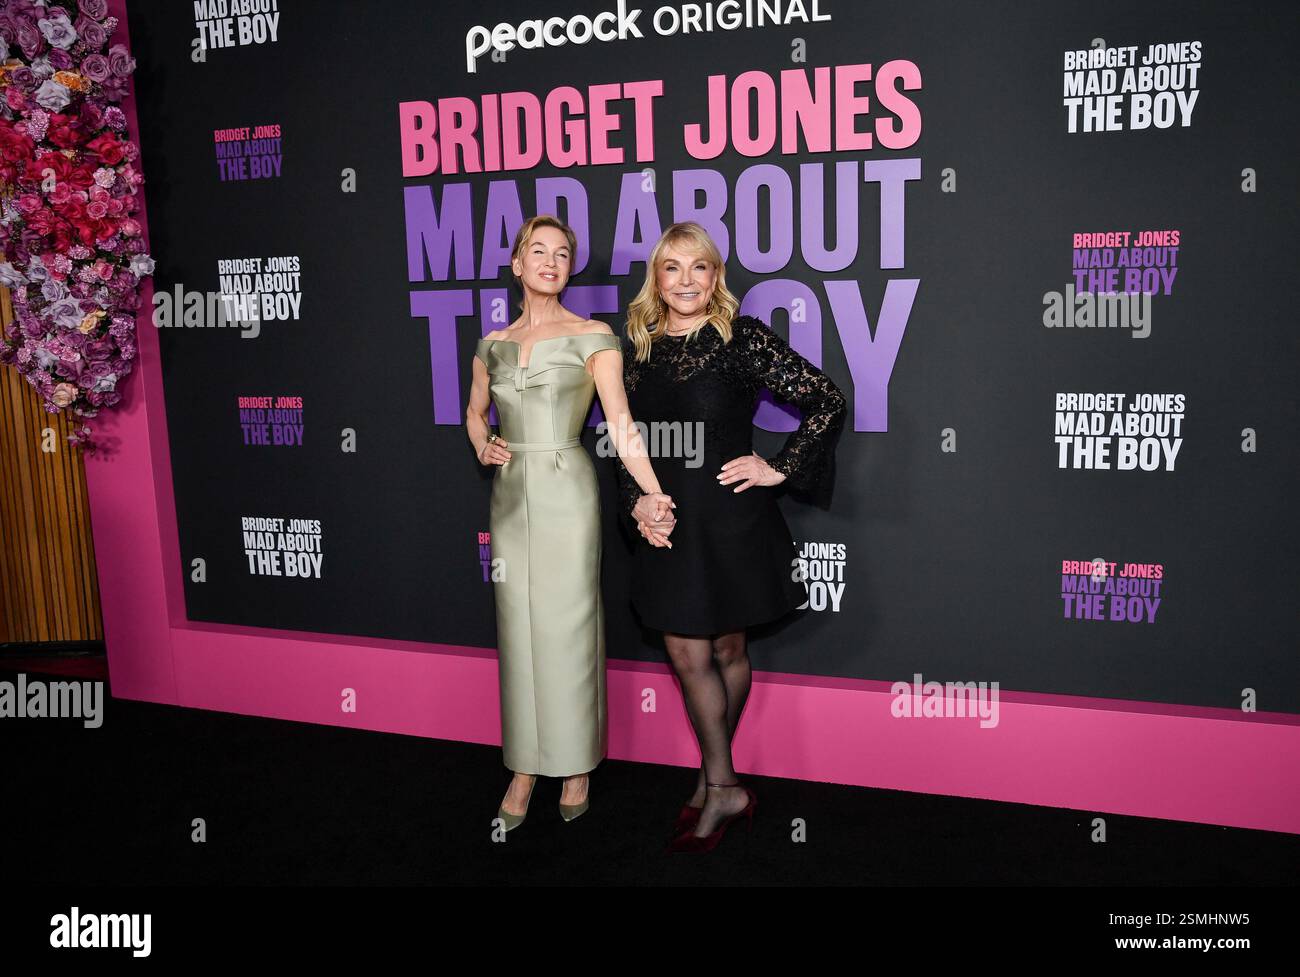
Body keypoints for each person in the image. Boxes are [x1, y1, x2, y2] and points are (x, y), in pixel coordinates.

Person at [613, 221, 847, 853]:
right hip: (669, 520)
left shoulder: (740, 338)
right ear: (655, 279)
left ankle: (714, 779)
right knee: (687, 652)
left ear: (716, 276)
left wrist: (778, 465)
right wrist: (638, 505)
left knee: (726, 652)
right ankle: (724, 785)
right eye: (672, 268)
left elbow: (826, 400)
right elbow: (623, 443)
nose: (686, 280)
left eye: (700, 268)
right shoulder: (633, 350)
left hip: (733, 518)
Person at [466, 215, 671, 831]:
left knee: (570, 626)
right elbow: (474, 415)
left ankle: (576, 762)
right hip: (509, 494)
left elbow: (622, 423)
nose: (550, 262)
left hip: (568, 487)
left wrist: (654, 493)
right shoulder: (491, 345)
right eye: (538, 251)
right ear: (517, 263)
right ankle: (524, 766)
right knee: (518, 629)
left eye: (562, 253)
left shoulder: (594, 336)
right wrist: (483, 444)